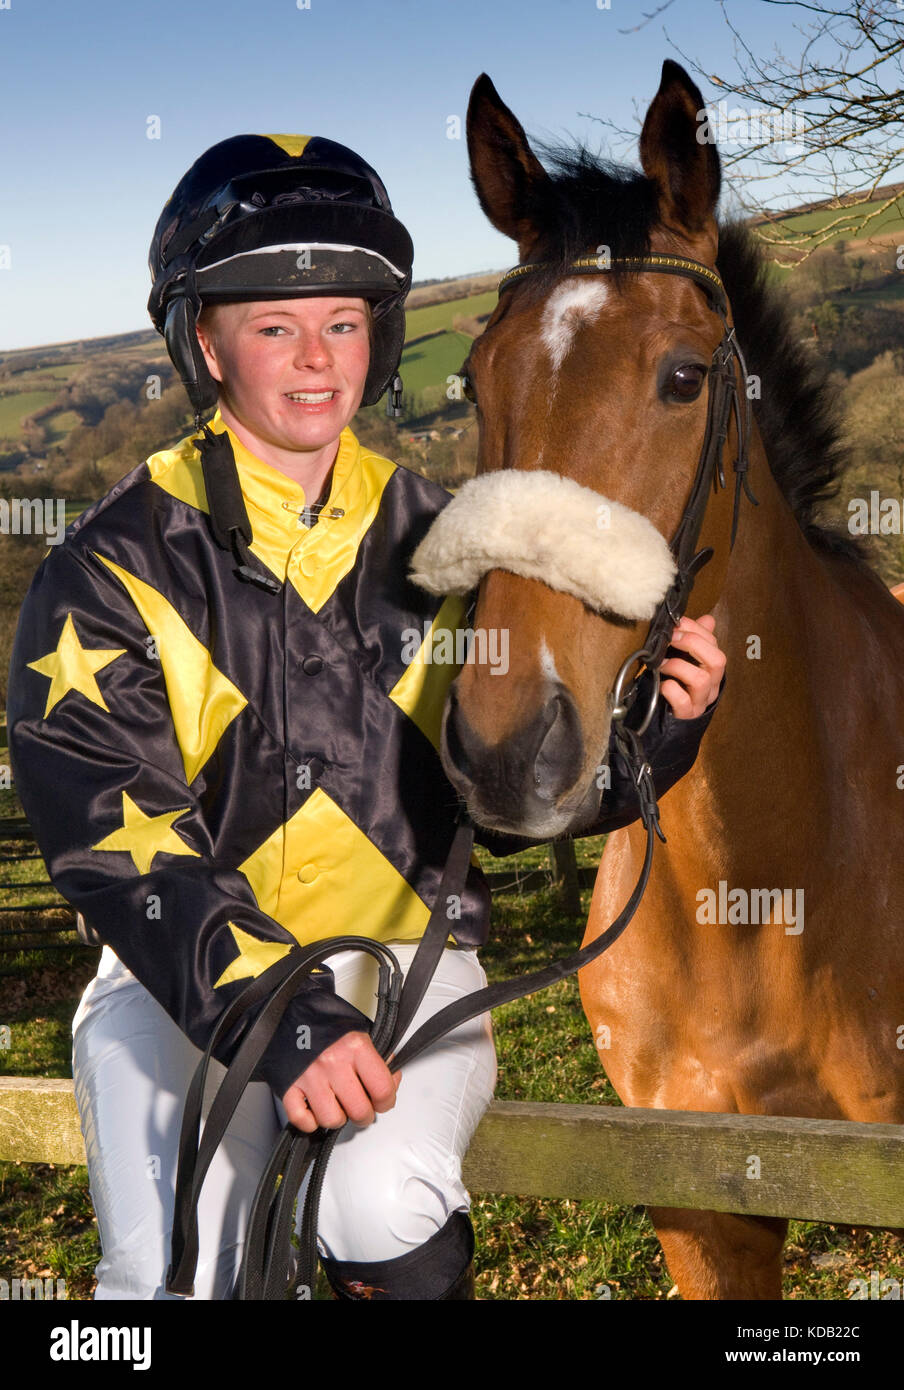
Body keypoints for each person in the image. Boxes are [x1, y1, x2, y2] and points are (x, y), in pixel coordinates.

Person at [6, 134, 727, 1301]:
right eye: (271, 325)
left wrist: (656, 745)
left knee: (381, 1206)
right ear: (205, 340)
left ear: (380, 338)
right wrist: (284, 1013)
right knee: (160, 1277)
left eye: (341, 323)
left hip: (407, 960)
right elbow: (109, 835)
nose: (313, 362)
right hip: (172, 975)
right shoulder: (104, 570)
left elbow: (497, 801)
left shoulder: (450, 541)